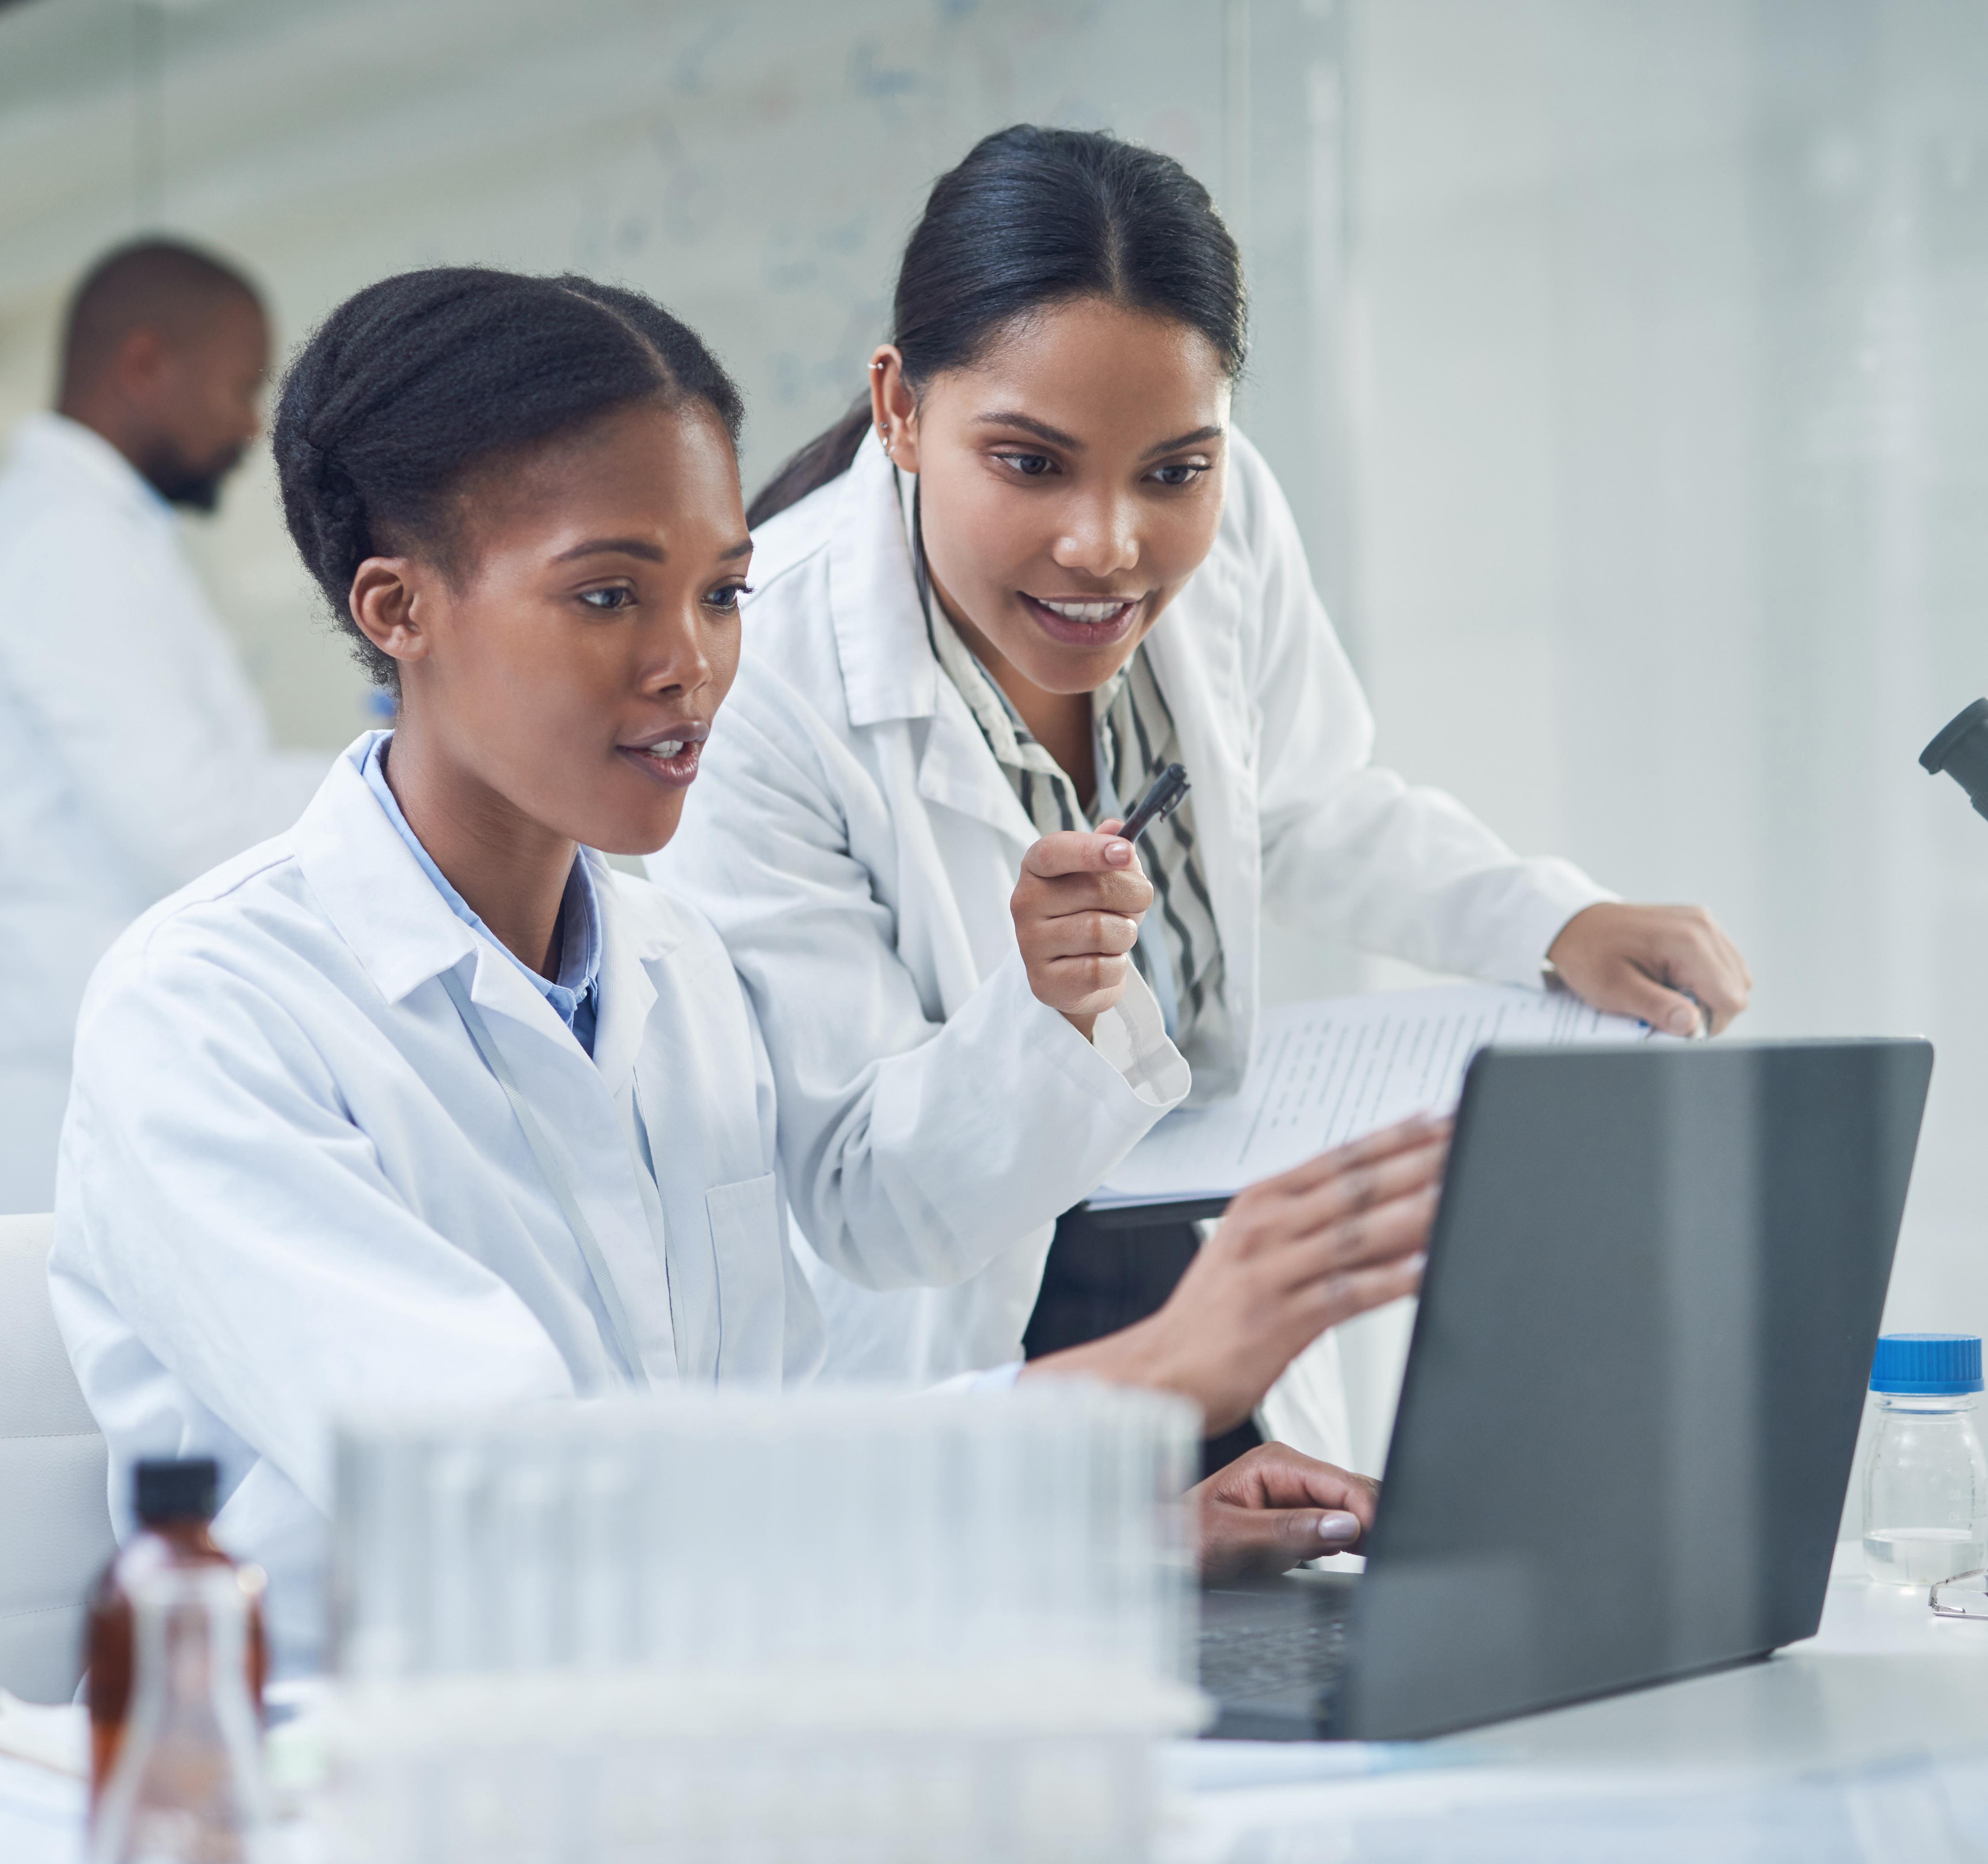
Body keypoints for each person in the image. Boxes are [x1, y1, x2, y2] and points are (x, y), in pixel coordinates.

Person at [49, 268, 1447, 1671]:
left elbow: (767, 1460)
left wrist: (1102, 1533)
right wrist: (1140, 1378)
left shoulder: (675, 977)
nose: (691, 665)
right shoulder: (210, 1014)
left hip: (685, 1741)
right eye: (608, 595)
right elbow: (515, 1503)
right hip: (361, 1794)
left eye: (723, 595)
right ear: (398, 608)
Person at [659, 125, 1755, 1451]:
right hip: (964, 1351)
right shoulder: (760, 671)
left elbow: (1299, 800)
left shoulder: (1230, 517)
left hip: (1202, 1260)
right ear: (900, 408)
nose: (1107, 545)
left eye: (1173, 469)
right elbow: (865, 1198)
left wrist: (1543, 921)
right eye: (1029, 462)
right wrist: (1050, 1013)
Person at [0, 238, 328, 1212]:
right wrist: (414, 776)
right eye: (239, 386)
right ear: (144, 365)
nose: (250, 422)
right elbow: (185, 823)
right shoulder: (67, 538)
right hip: (59, 1075)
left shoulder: (94, 532)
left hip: (86, 1058)